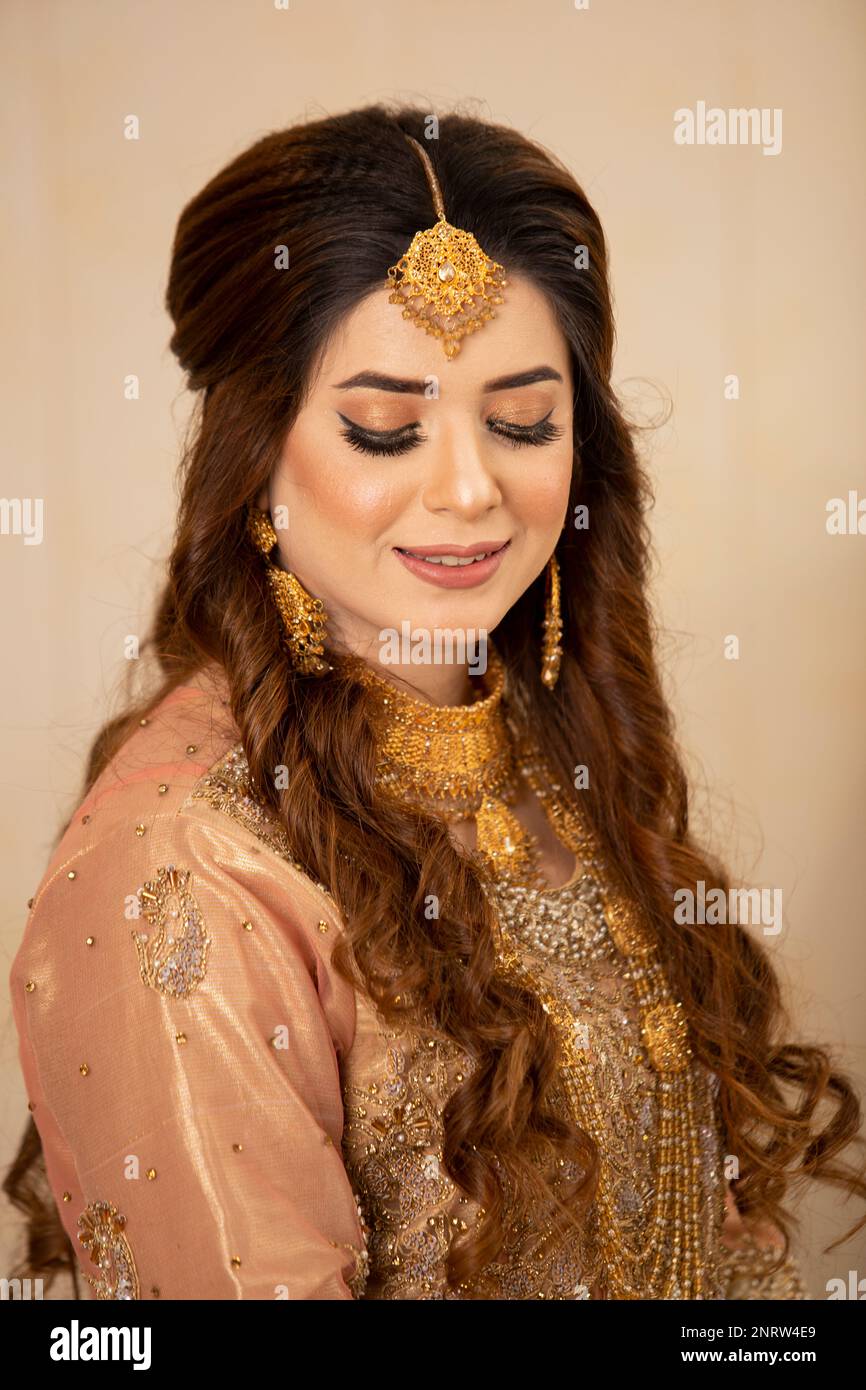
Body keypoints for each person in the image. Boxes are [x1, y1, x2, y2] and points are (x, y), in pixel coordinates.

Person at [5, 104, 864, 1301]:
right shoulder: (183, 873)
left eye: (522, 421)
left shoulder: (547, 738)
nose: (469, 490)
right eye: (382, 428)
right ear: (253, 455)